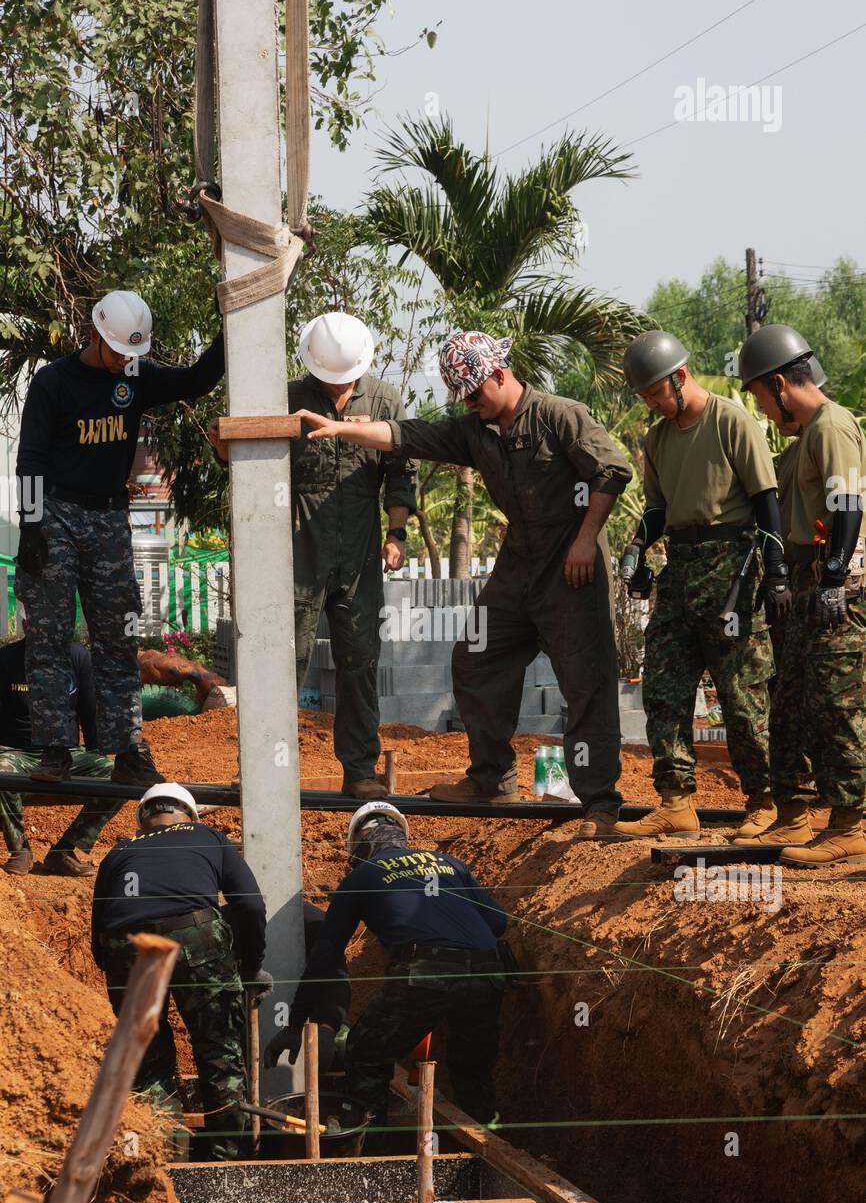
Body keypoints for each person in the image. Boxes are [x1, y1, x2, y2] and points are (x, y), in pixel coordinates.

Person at [294, 330, 632, 839]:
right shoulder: (476, 430)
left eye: (476, 394)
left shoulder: (561, 415)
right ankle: (491, 778)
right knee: (477, 656)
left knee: (586, 682)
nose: (471, 405)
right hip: (520, 563)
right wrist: (341, 429)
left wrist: (587, 540)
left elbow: (613, 469)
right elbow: (404, 435)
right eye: (464, 399)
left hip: (572, 567)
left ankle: (600, 804)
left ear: (499, 374)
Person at [16, 288, 225, 787]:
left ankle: (128, 750)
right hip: (56, 516)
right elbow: (30, 460)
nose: (125, 362)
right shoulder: (53, 383)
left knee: (117, 638)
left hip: (109, 516)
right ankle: (55, 750)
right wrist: (30, 529)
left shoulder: (134, 376)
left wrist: (227, 318)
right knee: (48, 637)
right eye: (119, 352)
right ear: (95, 336)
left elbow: (198, 380)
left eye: (134, 354)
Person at [209, 311, 416, 801]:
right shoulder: (285, 397)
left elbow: (399, 471)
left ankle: (360, 770)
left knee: (359, 659)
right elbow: (245, 452)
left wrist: (397, 533)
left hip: (361, 546)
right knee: (283, 659)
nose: (339, 385)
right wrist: (225, 445)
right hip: (298, 543)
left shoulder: (385, 399)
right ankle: (264, 765)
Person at [612, 330, 789, 842]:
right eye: (644, 397)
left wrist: (775, 571)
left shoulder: (731, 420)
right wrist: (635, 549)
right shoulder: (658, 438)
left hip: (732, 566)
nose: (650, 404)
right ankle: (676, 802)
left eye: (654, 394)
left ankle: (765, 800)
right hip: (682, 564)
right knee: (664, 686)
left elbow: (766, 500)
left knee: (742, 694)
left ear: (680, 377)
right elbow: (656, 511)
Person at [265, 801, 507, 1138]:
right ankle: (489, 1142)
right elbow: (498, 923)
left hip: (423, 973)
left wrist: (295, 1022)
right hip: (486, 973)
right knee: (472, 1069)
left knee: (365, 1054)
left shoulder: (361, 876)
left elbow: (326, 954)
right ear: (402, 837)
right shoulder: (452, 864)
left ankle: (373, 1155)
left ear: (359, 847)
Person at [737, 325, 866, 866]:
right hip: (807, 585)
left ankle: (851, 825)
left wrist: (834, 576)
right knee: (790, 706)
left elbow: (848, 505)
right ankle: (794, 814)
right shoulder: (804, 438)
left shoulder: (832, 425)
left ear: (780, 384)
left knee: (838, 705)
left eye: (762, 398)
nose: (765, 411)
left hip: (834, 588)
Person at [91, 782, 272, 1159]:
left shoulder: (121, 850)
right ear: (188, 814)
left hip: (126, 947)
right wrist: (251, 966)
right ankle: (228, 1163)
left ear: (143, 818)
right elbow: (251, 905)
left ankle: (167, 1159)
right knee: (220, 1051)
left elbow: (99, 933)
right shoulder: (207, 835)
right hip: (197, 938)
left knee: (148, 1058)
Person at [0, 610, 122, 876]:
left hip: (67, 754)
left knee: (117, 777)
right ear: (26, 625)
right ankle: (20, 850)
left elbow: (90, 713)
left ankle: (64, 851)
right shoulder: (6, 659)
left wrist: (96, 752)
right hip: (17, 752)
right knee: (0, 771)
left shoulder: (77, 658)